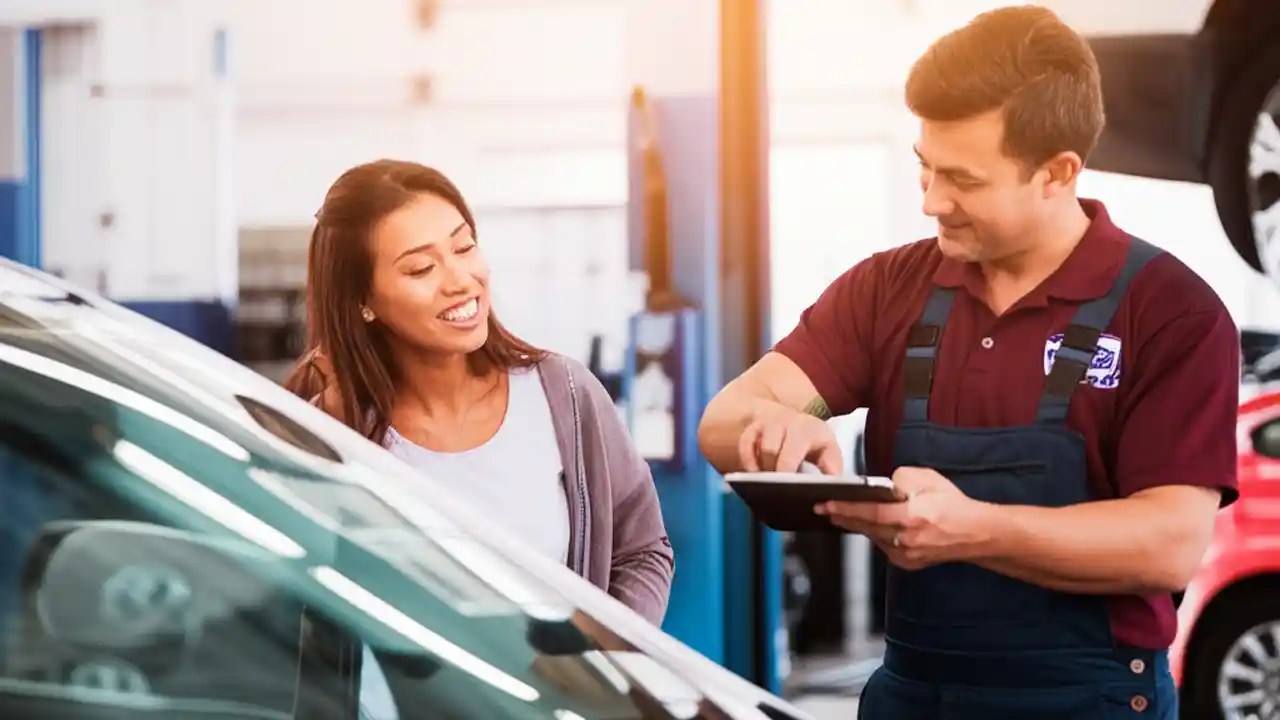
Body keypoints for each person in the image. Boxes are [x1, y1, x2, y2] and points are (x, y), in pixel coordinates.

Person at [698, 6, 1237, 718]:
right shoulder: (888, 289)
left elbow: (1167, 544)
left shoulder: (1171, 313)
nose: (931, 201)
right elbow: (722, 420)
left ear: (1058, 173)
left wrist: (971, 529)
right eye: (925, 169)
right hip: (914, 696)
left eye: (963, 180)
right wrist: (768, 426)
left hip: (1089, 703)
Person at [285, 159, 674, 626]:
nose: (459, 280)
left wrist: (601, 659)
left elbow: (642, 549)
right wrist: (335, 440)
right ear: (363, 302)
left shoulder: (564, 396)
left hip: (552, 698)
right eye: (421, 268)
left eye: (464, 246)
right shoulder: (328, 431)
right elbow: (295, 597)